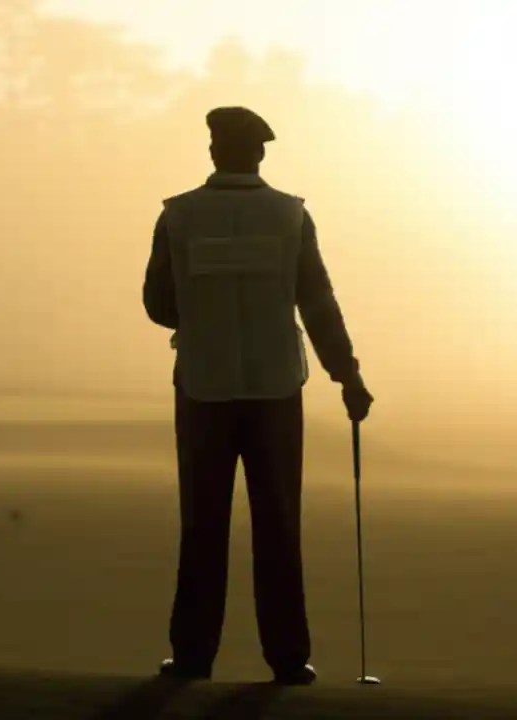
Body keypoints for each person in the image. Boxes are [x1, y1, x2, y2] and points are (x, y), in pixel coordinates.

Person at [142, 106, 374, 685]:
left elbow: (157, 304)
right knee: (277, 523)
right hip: (274, 389)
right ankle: (289, 658)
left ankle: (193, 656)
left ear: (214, 150)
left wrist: (201, 314)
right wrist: (346, 374)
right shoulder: (290, 215)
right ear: (261, 153)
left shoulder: (179, 215)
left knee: (202, 525)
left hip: (203, 386)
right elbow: (317, 303)